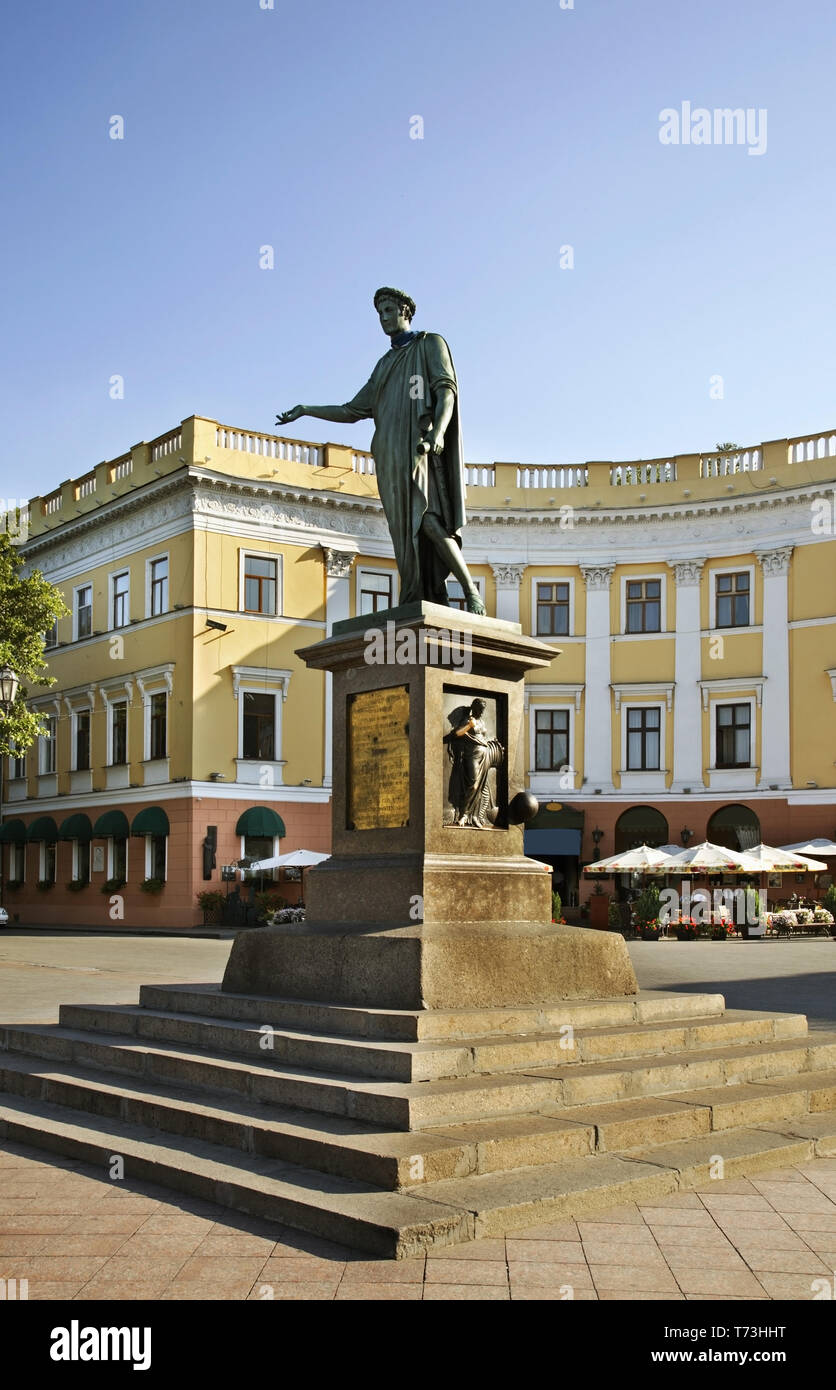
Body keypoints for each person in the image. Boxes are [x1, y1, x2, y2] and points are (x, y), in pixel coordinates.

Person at [276, 288, 486, 613]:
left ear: (405, 310)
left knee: (428, 519)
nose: (384, 319)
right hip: (389, 460)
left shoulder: (429, 344)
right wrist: (306, 409)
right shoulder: (384, 365)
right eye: (379, 314)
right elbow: (351, 410)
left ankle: (471, 592)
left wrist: (439, 433)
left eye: (388, 310)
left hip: (419, 448)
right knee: (403, 534)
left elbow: (446, 391)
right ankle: (417, 594)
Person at [443, 699, 504, 827]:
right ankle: (463, 815)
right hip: (472, 756)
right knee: (473, 785)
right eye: (480, 710)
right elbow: (457, 733)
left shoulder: (481, 721)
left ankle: (474, 816)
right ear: (474, 708)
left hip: (485, 755)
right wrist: (470, 726)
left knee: (480, 787)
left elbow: (481, 737)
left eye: (483, 710)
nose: (481, 712)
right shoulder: (469, 720)